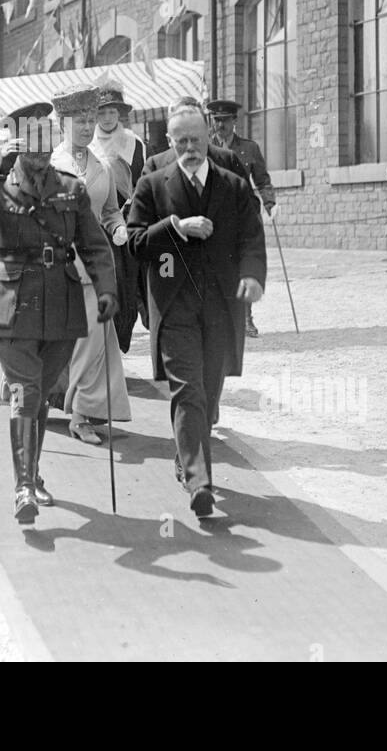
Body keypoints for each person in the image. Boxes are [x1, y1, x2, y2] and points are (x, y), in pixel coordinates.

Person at [0, 102, 117, 524]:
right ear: (18, 144)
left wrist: (106, 289)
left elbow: (95, 245)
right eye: (35, 145)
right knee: (27, 393)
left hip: (60, 306)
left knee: (41, 395)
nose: (43, 153)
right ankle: (23, 487)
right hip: (12, 301)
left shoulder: (70, 187)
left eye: (48, 144)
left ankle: (32, 473)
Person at [127, 110, 267, 519]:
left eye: (196, 141)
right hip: (175, 308)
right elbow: (135, 242)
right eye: (180, 142)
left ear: (209, 139)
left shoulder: (234, 186)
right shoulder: (152, 185)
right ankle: (199, 480)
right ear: (169, 142)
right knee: (187, 390)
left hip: (221, 308)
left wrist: (253, 277)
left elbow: (251, 240)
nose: (189, 150)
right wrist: (175, 226)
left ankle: (190, 461)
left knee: (207, 390)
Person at [48, 86, 131, 444]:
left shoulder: (103, 168)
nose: (86, 127)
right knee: (57, 340)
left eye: (90, 120)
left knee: (94, 340)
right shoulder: (50, 166)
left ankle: (84, 414)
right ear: (63, 124)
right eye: (79, 121)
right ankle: (49, 397)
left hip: (95, 267)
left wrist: (118, 227)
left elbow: (110, 209)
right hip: (58, 266)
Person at [206, 99, 274, 336]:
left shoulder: (250, 148)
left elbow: (263, 180)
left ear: (235, 121)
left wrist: (270, 204)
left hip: (244, 215)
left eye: (225, 121)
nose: (221, 126)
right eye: (217, 121)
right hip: (215, 216)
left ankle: (246, 319)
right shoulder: (204, 147)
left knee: (245, 264)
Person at [91, 82, 146, 351]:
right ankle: (102, 347)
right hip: (94, 219)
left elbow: (142, 181)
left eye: (113, 112)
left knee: (126, 282)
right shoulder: (87, 142)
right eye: (102, 112)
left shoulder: (134, 143)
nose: (108, 117)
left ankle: (121, 339)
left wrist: (131, 209)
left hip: (126, 218)